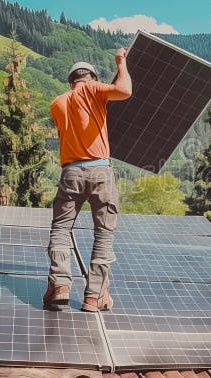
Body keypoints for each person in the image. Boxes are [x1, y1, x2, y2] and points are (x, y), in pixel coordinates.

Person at [44, 49, 132, 312]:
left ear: (71, 80)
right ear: (91, 78)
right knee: (103, 233)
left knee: (61, 228)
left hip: (71, 171)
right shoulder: (93, 90)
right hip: (100, 172)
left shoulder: (57, 103)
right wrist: (121, 63)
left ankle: (59, 285)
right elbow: (124, 91)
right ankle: (94, 296)